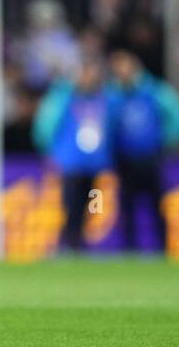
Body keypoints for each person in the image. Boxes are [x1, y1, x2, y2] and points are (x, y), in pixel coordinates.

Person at [32, 55, 119, 251]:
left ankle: (77, 245)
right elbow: (46, 126)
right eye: (86, 73)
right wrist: (49, 151)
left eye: (93, 73)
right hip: (70, 163)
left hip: (94, 164)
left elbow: (111, 128)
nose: (89, 77)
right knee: (69, 206)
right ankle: (67, 244)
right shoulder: (63, 98)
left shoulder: (105, 99)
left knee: (88, 208)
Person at [108, 50, 179, 251]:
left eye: (125, 67)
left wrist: (168, 140)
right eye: (118, 69)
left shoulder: (155, 90)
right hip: (124, 159)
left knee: (157, 205)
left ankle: (164, 247)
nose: (122, 72)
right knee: (126, 207)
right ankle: (129, 249)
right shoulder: (113, 95)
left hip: (150, 158)